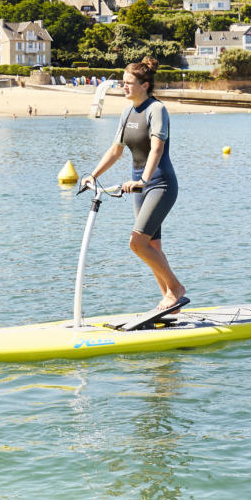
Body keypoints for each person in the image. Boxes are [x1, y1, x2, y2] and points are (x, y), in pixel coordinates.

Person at [81, 56, 185, 312]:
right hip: (139, 184)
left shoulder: (156, 109)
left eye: (129, 83)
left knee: (137, 243)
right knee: (152, 247)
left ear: (145, 85)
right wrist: (93, 174)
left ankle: (176, 289)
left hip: (159, 183)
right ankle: (170, 303)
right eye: (123, 82)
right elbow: (116, 151)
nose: (124, 87)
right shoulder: (127, 112)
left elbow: (157, 149)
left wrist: (142, 180)